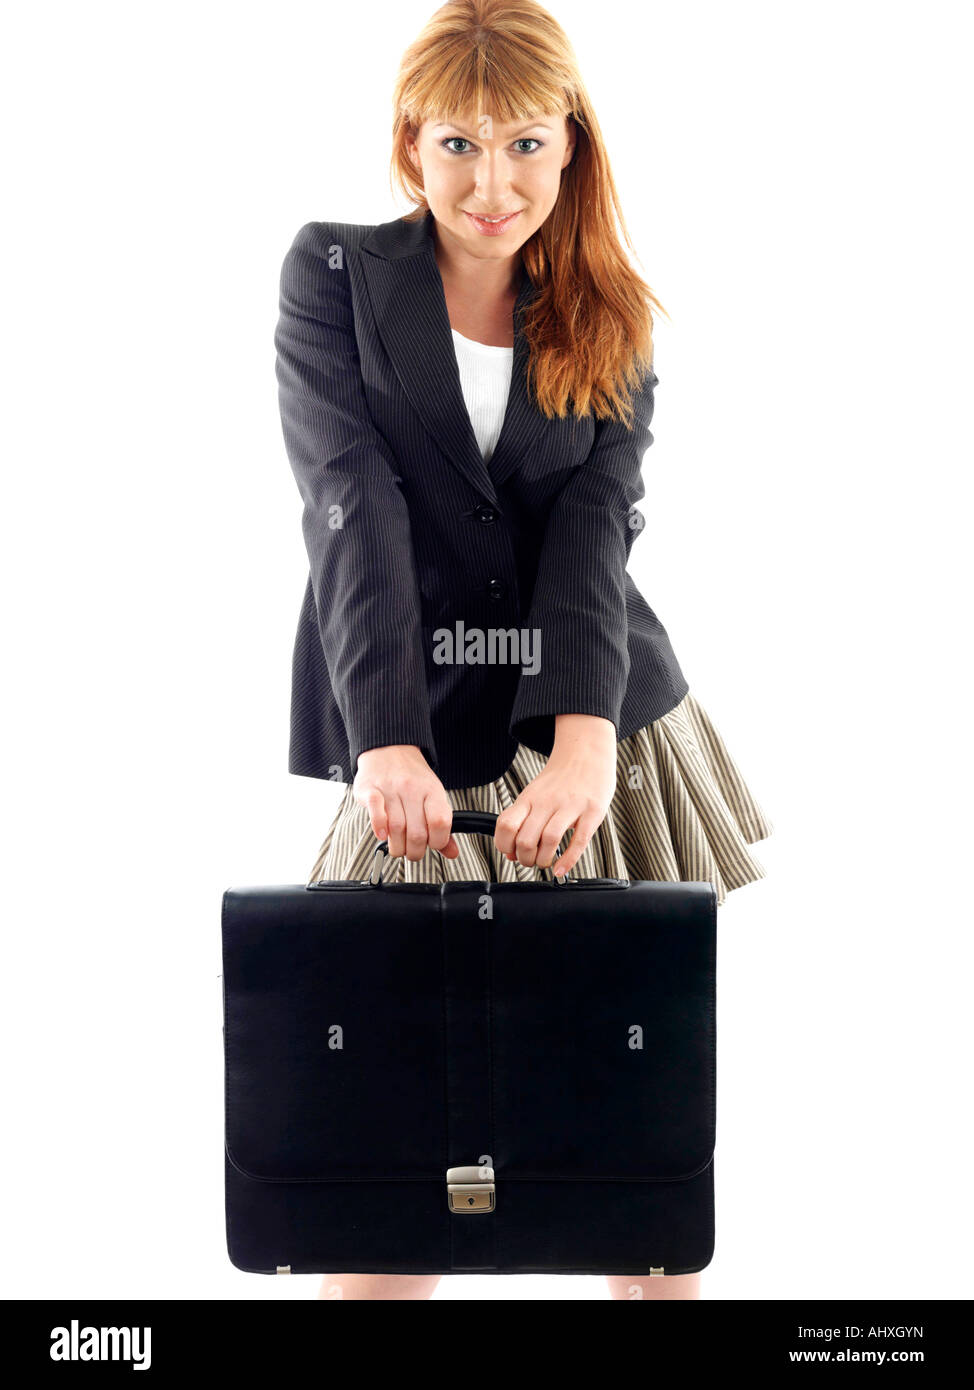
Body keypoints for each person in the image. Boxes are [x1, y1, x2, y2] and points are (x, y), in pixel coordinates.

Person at [274, 0, 772, 1301]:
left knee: (632, 1143)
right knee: (394, 1151)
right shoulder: (333, 274)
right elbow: (349, 506)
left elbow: (596, 527)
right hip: (415, 719)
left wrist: (583, 743)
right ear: (407, 145)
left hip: (602, 720)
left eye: (524, 146)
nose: (491, 185)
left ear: (571, 145)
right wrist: (382, 735)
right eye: (457, 144)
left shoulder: (609, 306)